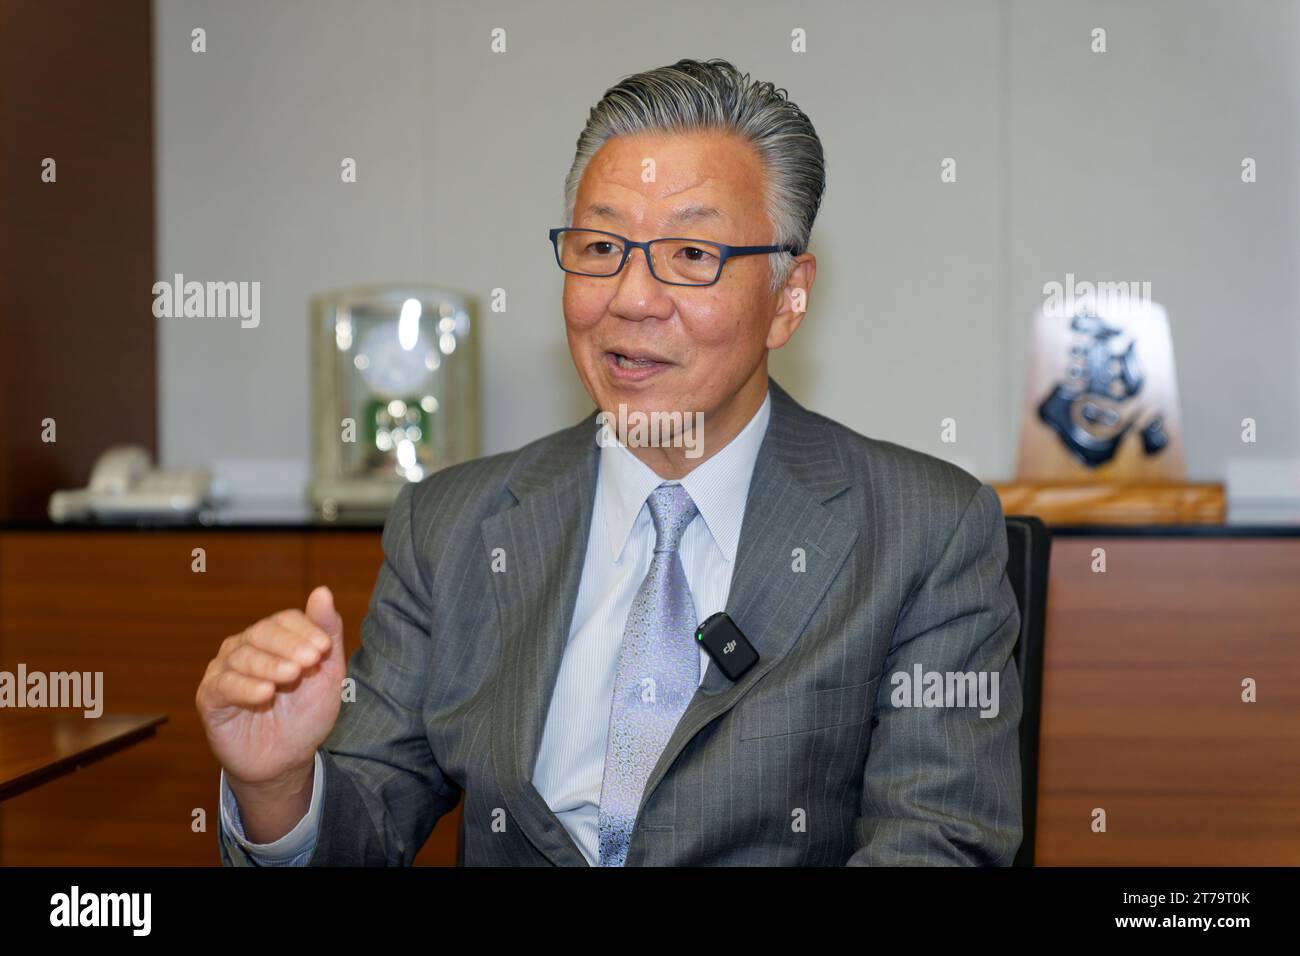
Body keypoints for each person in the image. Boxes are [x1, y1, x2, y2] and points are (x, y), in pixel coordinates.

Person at [196, 57, 1023, 866]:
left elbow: (939, 840)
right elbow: (367, 830)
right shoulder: (452, 526)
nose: (631, 298)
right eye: (599, 248)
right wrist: (278, 787)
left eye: (692, 256)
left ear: (788, 297)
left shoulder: (923, 532)